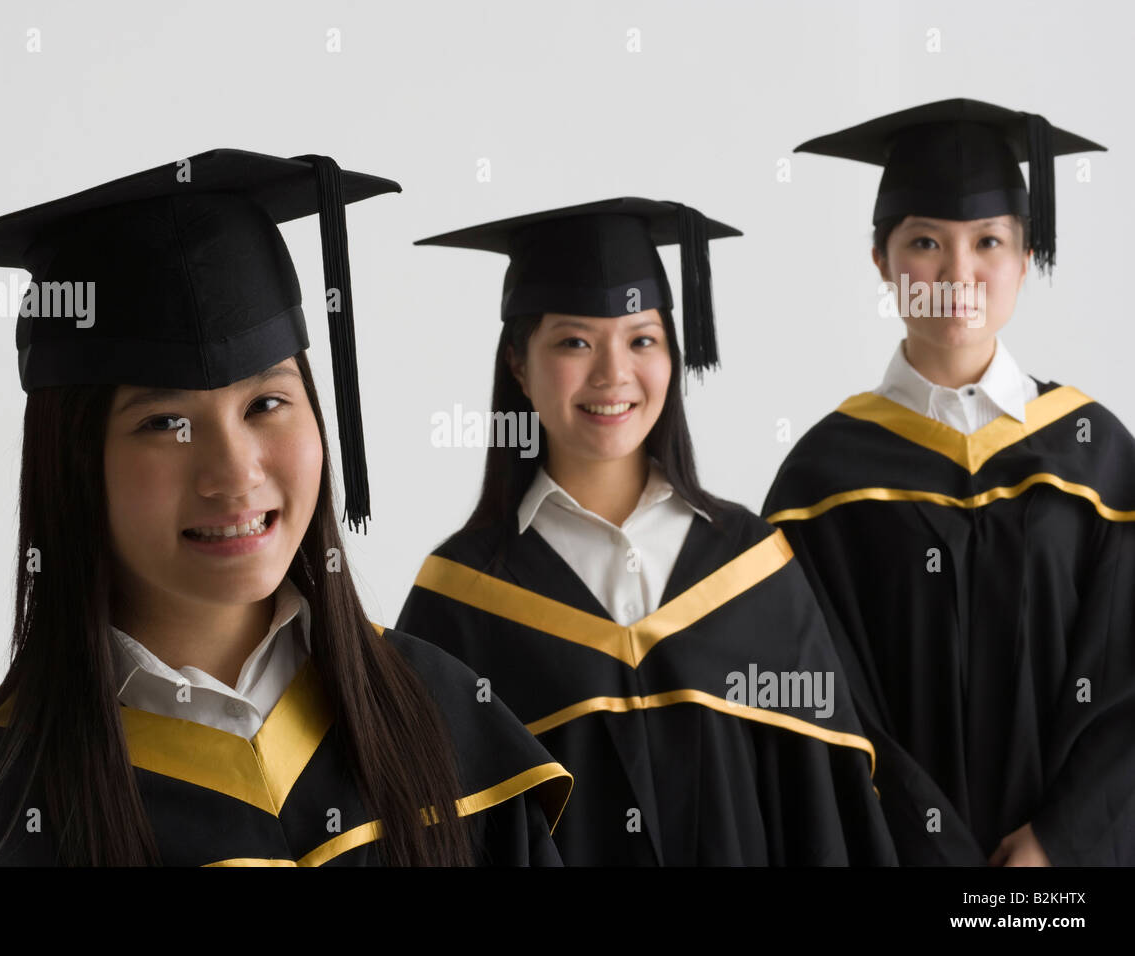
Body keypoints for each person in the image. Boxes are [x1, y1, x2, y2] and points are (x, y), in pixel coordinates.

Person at [0, 149, 571, 867]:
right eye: (164, 424)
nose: (234, 473)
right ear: (73, 465)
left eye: (266, 404)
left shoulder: (445, 723)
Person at [396, 198, 897, 865]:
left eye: (642, 339)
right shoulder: (459, 603)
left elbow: (823, 819)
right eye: (575, 342)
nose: (613, 375)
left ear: (672, 356)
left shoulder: (752, 567)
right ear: (518, 363)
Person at [763, 99, 1134, 865]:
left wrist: (1057, 841)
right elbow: (821, 705)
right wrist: (927, 845)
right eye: (925, 242)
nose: (957, 274)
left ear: (1027, 257)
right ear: (880, 261)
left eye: (988, 242)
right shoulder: (823, 479)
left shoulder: (1095, 455)